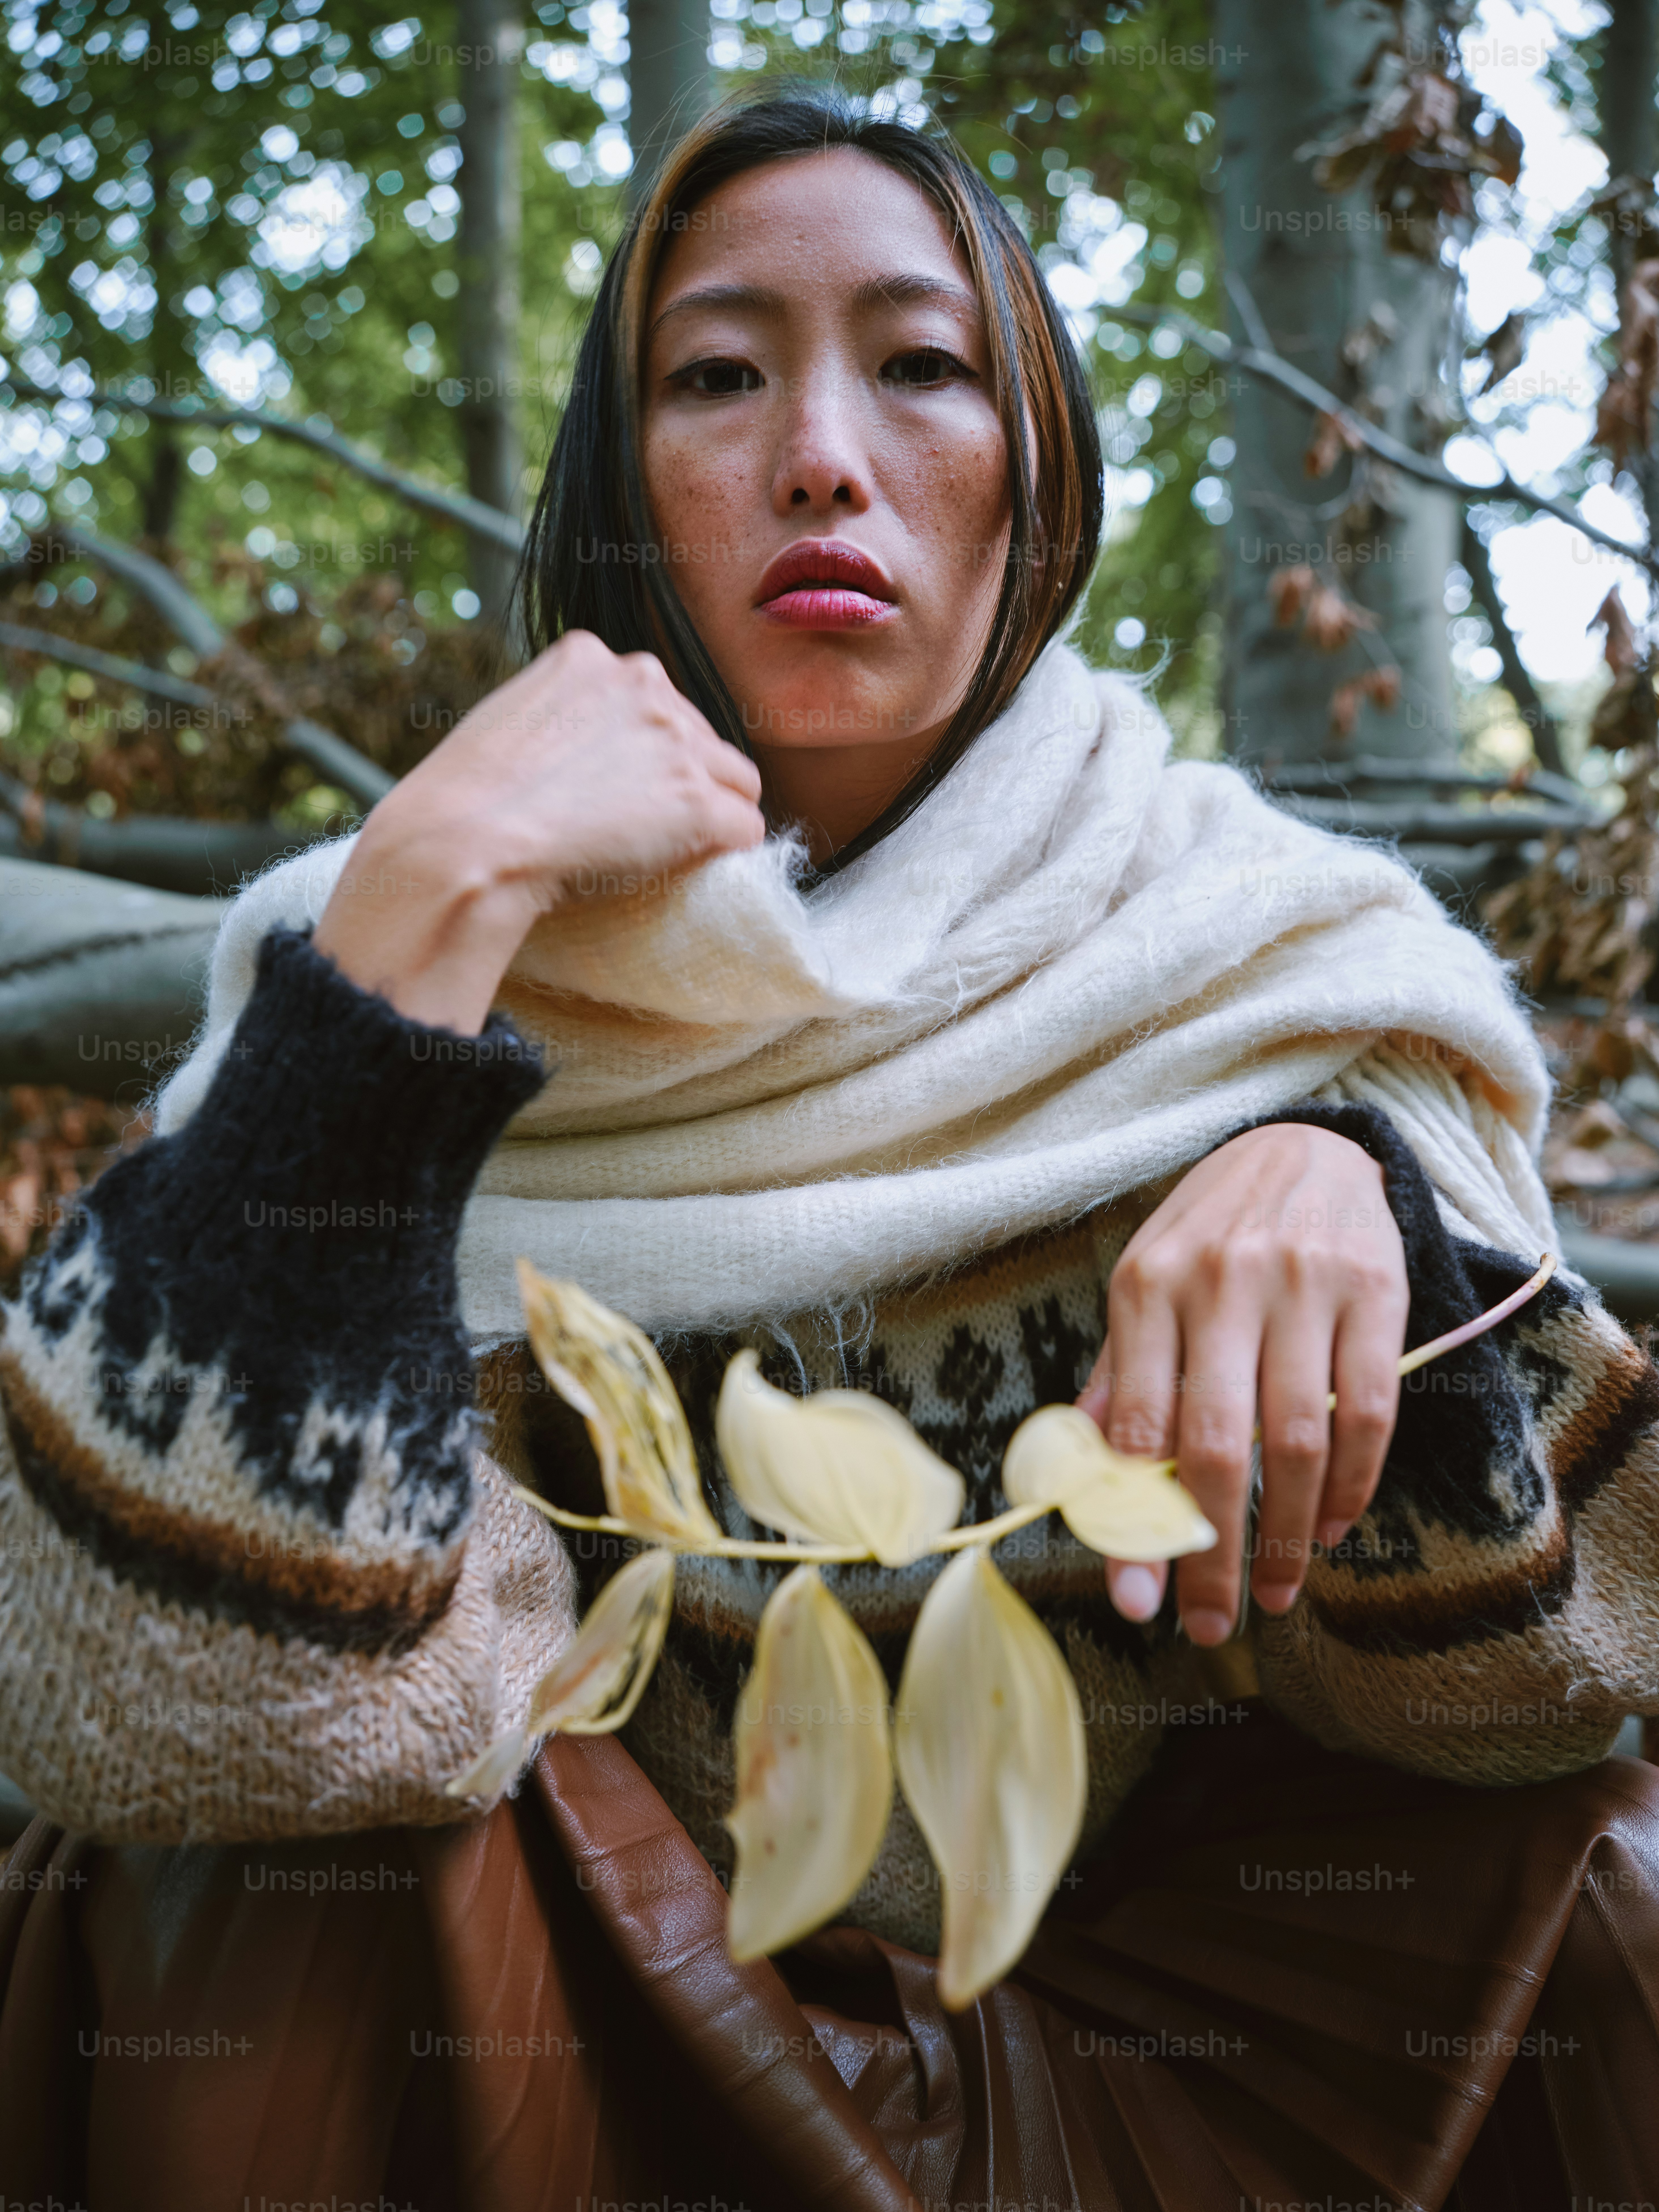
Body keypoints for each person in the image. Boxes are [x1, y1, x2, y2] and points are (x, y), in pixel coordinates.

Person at [3, 86, 1658, 2211]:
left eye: (923, 366)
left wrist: (1366, 1191)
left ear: (1035, 477)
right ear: (620, 495)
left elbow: (1545, 1697)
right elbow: (148, 1714)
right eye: (715, 374)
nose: (819, 453)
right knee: (251, 1903)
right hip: (567, 2052)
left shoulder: (1277, 960)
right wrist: (421, 899)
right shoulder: (388, 961)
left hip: (1196, 2043)